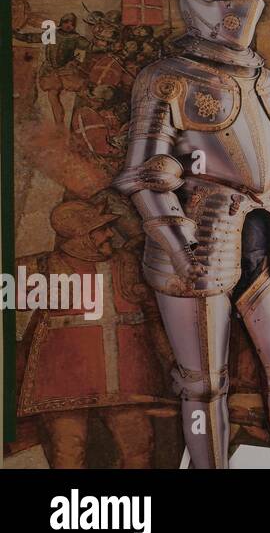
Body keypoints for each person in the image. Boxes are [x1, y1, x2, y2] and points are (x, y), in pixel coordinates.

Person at [113, 0, 270, 468]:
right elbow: (147, 174)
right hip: (199, 233)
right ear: (202, 14)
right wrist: (178, 245)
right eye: (227, 8)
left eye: (243, 8)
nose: (237, 18)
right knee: (203, 384)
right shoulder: (168, 79)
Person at [15, 199, 171, 468]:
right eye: (101, 229)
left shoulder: (128, 263)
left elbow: (154, 317)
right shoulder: (43, 267)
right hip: (64, 382)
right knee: (68, 454)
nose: (110, 233)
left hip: (126, 381)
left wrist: (170, 360)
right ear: (78, 235)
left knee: (138, 448)